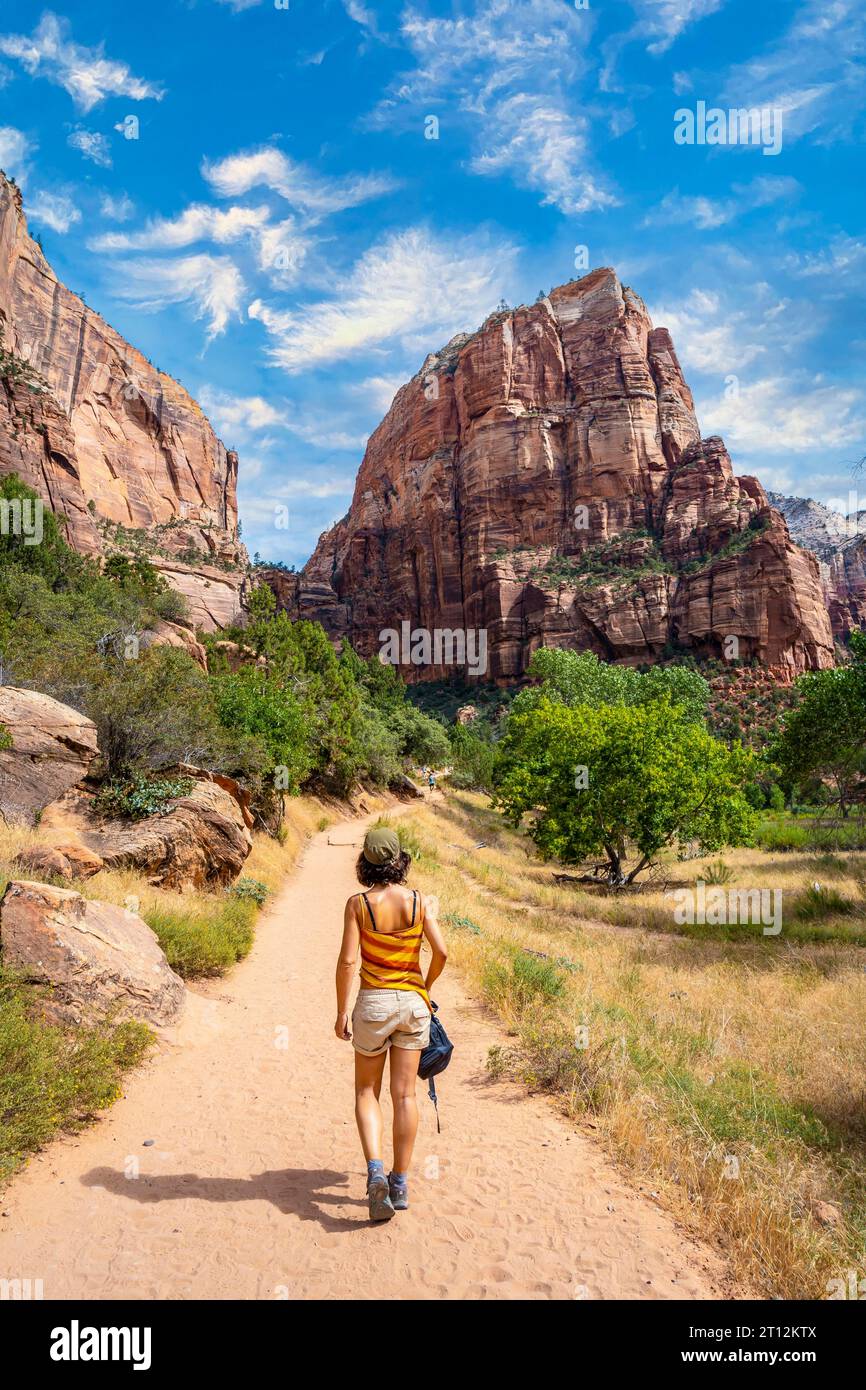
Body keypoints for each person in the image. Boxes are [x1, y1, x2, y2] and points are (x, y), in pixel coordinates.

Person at [334, 826, 448, 1221]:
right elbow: (442, 951)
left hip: (373, 1005)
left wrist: (341, 1010)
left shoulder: (358, 905)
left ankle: (375, 1173)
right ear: (400, 859)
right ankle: (400, 1183)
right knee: (405, 1097)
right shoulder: (418, 902)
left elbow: (349, 961)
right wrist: (424, 986)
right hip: (413, 1006)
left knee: (367, 1091)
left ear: (365, 861)